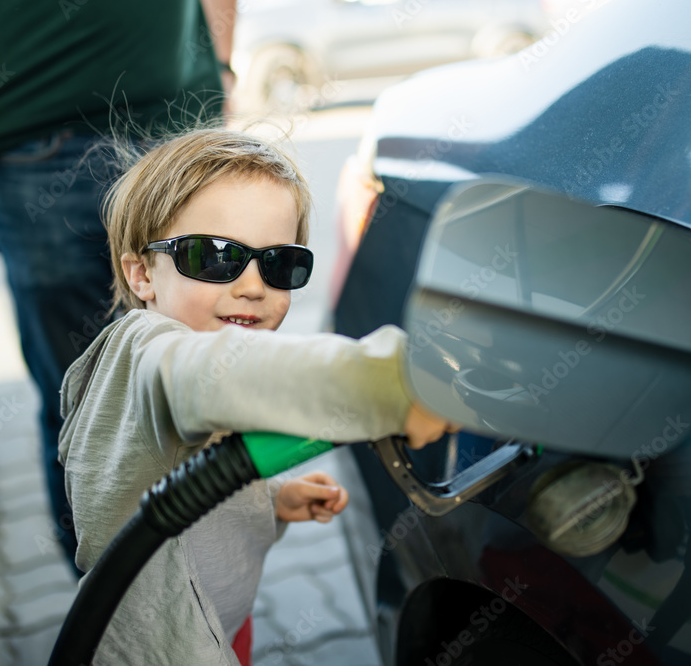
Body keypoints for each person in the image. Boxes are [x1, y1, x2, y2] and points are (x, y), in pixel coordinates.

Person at [0, 0, 238, 575]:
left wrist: (221, 66)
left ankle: (205, 578)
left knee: (201, 376)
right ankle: (108, 607)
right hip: (39, 148)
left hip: (175, 128)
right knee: (84, 398)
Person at [58, 127, 455, 664]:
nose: (252, 286)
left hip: (218, 627)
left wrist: (270, 500)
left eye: (278, 264)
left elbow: (184, 476)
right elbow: (220, 375)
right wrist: (393, 384)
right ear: (142, 274)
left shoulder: (193, 352)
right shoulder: (151, 353)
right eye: (216, 257)